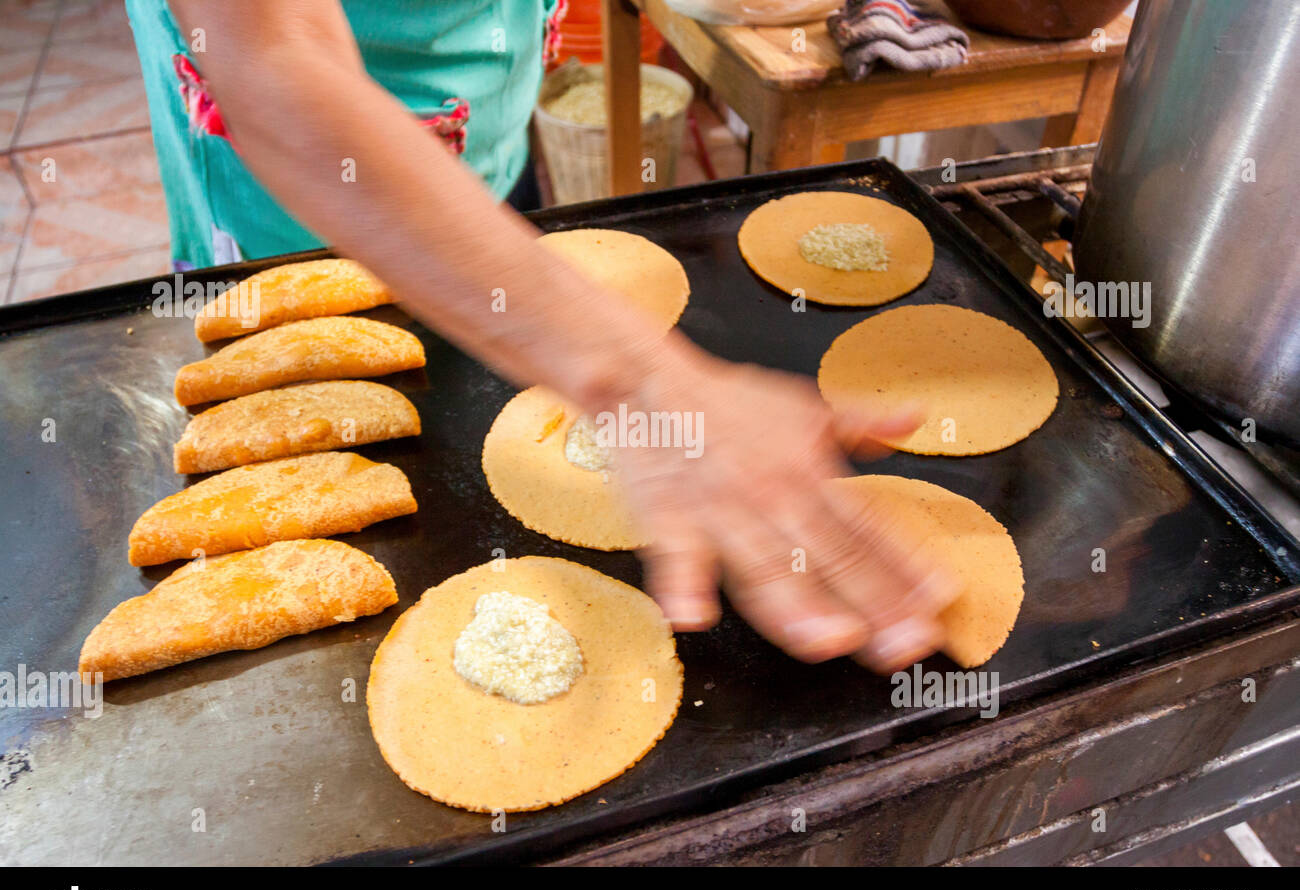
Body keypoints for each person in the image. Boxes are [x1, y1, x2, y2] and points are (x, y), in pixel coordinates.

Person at [126, 0, 957, 672]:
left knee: (485, 290)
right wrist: (641, 383)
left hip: (471, 113)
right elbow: (272, 60)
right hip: (298, 191)